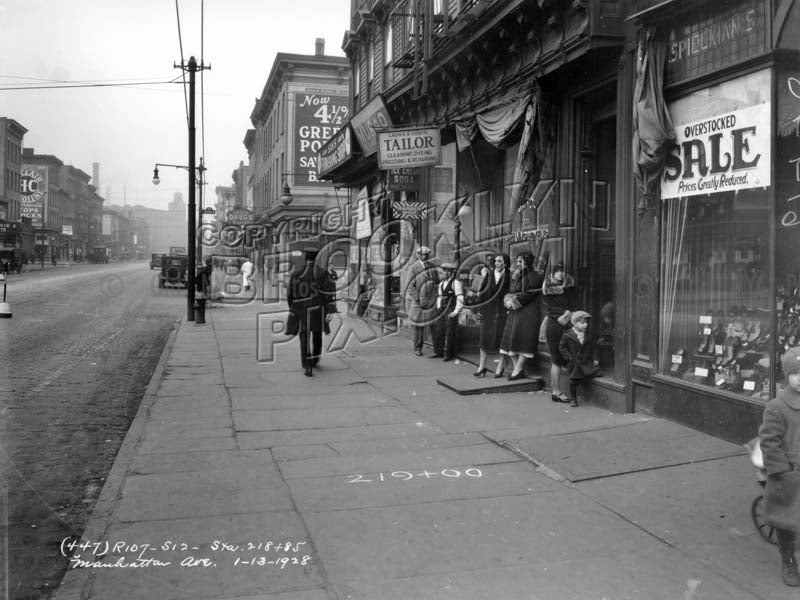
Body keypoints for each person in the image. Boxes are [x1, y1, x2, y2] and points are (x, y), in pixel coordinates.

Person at [759, 346, 800, 587]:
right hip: (790, 473)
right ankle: (788, 561)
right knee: (787, 520)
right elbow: (769, 441)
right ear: (787, 376)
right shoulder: (777, 406)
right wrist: (781, 471)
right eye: (796, 374)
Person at [287, 250, 337, 377]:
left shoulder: (296, 273)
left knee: (304, 334)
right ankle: (315, 359)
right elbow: (329, 292)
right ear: (316, 259)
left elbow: (290, 294)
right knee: (317, 334)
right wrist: (330, 309)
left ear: (305, 258)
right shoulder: (323, 273)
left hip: (301, 309)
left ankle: (306, 363)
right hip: (318, 309)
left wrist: (293, 308)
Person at [496, 251, 545, 380]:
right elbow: (512, 291)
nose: (517, 264)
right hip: (517, 311)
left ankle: (517, 370)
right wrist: (508, 300)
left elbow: (529, 294)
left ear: (527, 262)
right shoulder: (518, 275)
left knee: (524, 342)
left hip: (528, 312)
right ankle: (518, 369)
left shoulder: (535, 277)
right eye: (517, 261)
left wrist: (512, 301)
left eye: (520, 261)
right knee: (513, 341)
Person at [470, 253, 510, 377]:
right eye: (496, 261)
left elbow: (511, 293)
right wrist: (478, 309)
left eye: (499, 261)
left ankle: (500, 367)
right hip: (488, 311)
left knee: (501, 341)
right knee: (484, 339)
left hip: (503, 312)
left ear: (505, 263)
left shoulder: (509, 276)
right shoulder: (489, 274)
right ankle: (482, 366)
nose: (496, 263)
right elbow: (482, 291)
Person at [542, 261, 576, 402]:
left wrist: (568, 314)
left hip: (567, 323)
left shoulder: (568, 287)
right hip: (555, 325)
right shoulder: (548, 289)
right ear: (552, 273)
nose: (560, 274)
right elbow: (551, 309)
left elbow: (573, 303)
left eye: (562, 271)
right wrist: (565, 314)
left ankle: (559, 389)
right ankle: (556, 391)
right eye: (557, 271)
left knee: (564, 358)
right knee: (556, 359)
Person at [558, 310, 599, 407]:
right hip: (574, 362)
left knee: (594, 372)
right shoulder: (567, 335)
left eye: (586, 323)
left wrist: (595, 359)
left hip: (585, 361)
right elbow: (562, 347)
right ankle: (573, 398)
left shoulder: (589, 336)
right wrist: (568, 356)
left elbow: (594, 349)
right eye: (583, 323)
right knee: (574, 379)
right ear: (575, 324)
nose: (586, 325)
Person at [406, 246, 439, 356]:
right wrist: (418, 299)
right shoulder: (413, 268)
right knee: (419, 326)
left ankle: (437, 349)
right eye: (422, 254)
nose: (425, 256)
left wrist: (436, 296)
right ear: (418, 255)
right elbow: (410, 286)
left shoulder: (433, 267)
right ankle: (418, 348)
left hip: (431, 301)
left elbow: (437, 282)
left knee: (434, 326)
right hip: (419, 302)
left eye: (426, 254)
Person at [434, 262, 465, 362]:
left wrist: (455, 312)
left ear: (452, 273)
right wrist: (438, 308)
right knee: (439, 331)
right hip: (441, 310)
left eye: (448, 271)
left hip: (450, 310)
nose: (445, 273)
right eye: (444, 271)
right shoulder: (441, 283)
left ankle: (449, 354)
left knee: (450, 332)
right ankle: (439, 352)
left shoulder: (455, 283)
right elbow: (439, 297)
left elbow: (460, 298)